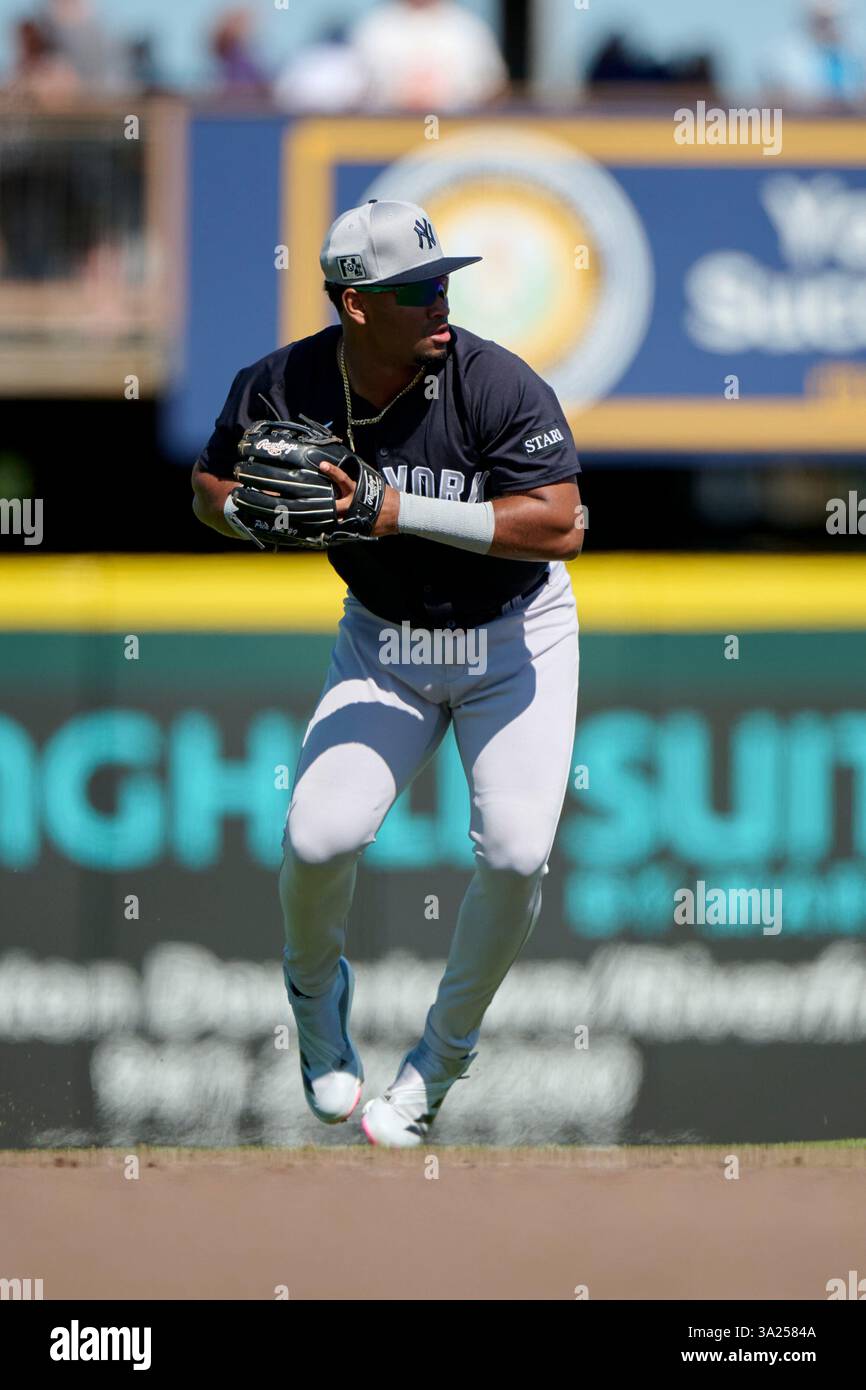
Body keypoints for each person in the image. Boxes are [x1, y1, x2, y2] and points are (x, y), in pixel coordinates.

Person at [191, 199, 583, 1147]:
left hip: (514, 635)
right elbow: (207, 486)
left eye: (443, 279)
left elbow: (562, 522)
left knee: (516, 854)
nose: (439, 298)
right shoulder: (282, 383)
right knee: (319, 838)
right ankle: (315, 998)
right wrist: (245, 515)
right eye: (415, 288)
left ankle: (439, 1062)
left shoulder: (493, 381)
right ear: (356, 303)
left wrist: (393, 509)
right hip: (386, 641)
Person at [350, 0, 507, 111]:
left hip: (454, 134)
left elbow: (495, 88)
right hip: (385, 131)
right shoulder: (374, 27)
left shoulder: (469, 29)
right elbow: (353, 92)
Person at [764, 0, 864, 108]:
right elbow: (780, 97)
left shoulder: (852, 54)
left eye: (834, 20)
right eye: (823, 21)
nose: (831, 27)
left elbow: (857, 93)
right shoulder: (785, 56)